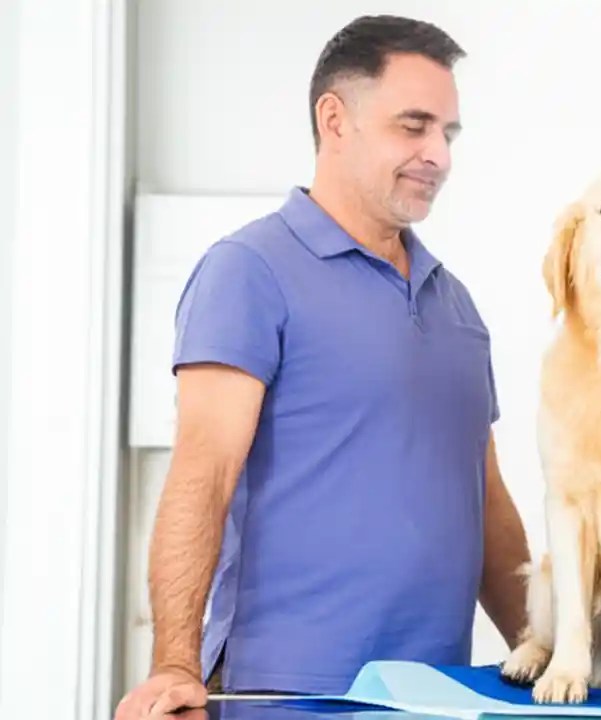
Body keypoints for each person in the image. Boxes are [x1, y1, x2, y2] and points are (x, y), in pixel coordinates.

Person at [114, 15, 532, 720]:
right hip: (284, 699)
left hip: (437, 702)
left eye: (447, 134)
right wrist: (176, 664)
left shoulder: (455, 304)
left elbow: (488, 508)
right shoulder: (250, 272)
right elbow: (202, 475)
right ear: (335, 120)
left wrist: (556, 656)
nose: (438, 154)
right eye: (414, 125)